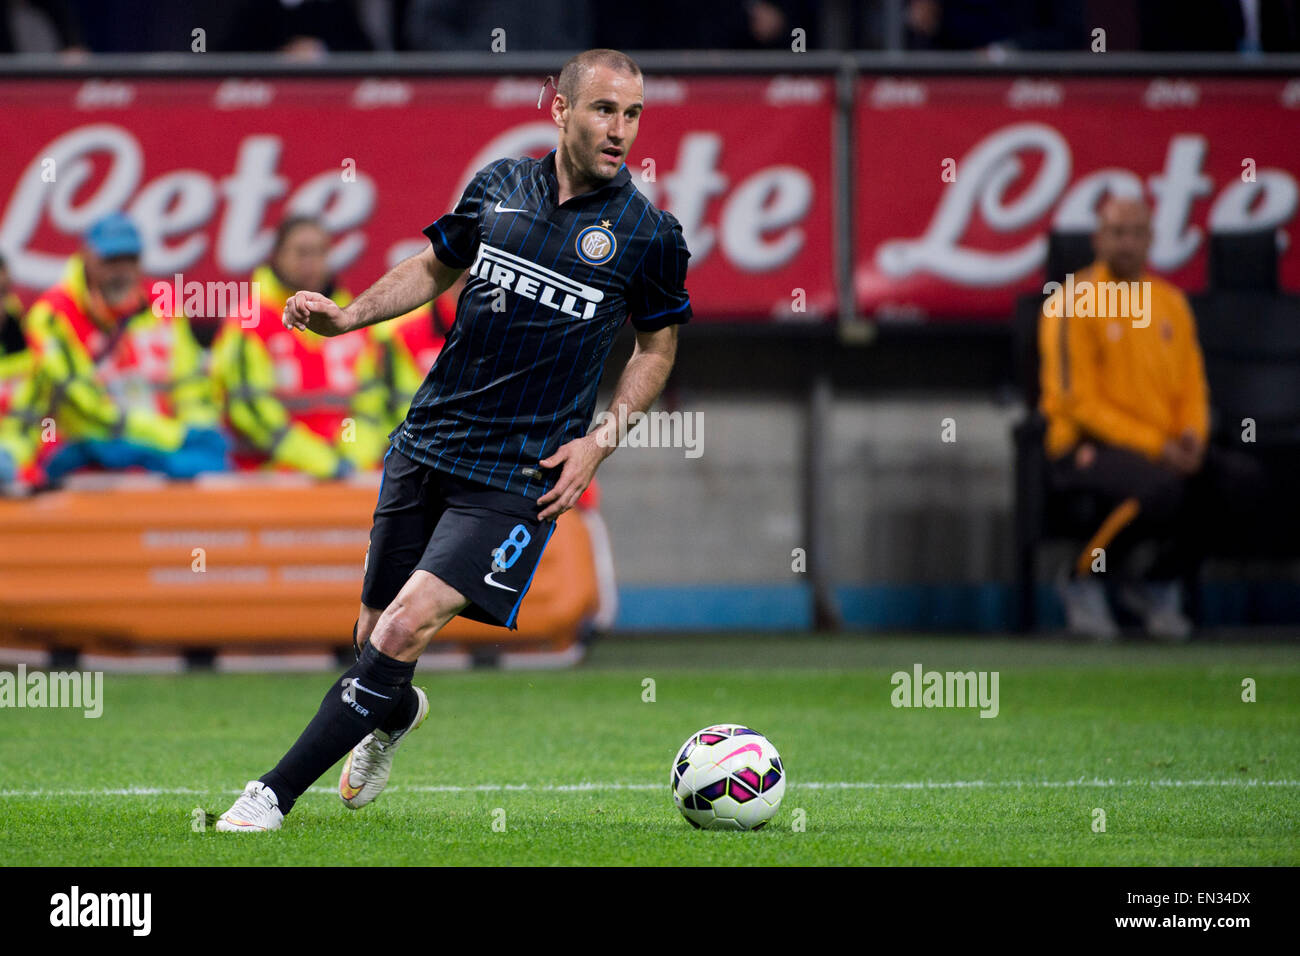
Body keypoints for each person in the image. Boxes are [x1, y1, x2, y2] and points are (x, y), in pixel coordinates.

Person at [217, 48, 691, 831]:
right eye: (605, 110)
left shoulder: (648, 234)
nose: (620, 130)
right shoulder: (498, 185)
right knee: (373, 639)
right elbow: (436, 267)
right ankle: (393, 716)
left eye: (633, 114)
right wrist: (347, 315)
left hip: (520, 470)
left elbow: (658, 348)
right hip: (428, 441)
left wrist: (600, 440)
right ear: (561, 109)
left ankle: (270, 794)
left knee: (404, 627)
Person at [1039, 196, 1212, 641]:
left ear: (1152, 239)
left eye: (1137, 232)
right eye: (1117, 232)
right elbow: (1077, 402)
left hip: (1165, 446)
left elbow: (1192, 386)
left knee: (1239, 483)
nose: (1127, 243)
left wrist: (1193, 436)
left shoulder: (1170, 302)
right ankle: (1083, 578)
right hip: (1084, 447)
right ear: (1098, 239)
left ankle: (1153, 583)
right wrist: (1159, 448)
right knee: (1161, 487)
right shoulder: (1071, 302)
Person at [3, 212, 225, 487]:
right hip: (85, 458)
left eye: (129, 259)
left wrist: (198, 427)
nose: (121, 271)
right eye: (110, 260)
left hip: (163, 459)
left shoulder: (164, 303)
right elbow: (84, 401)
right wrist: (172, 435)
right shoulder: (52, 316)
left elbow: (190, 382)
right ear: (86, 257)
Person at [210, 215, 390, 477]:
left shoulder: (352, 319)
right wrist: (322, 462)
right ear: (277, 256)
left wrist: (353, 456)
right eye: (301, 252)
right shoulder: (250, 323)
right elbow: (250, 409)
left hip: (348, 475)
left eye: (320, 252)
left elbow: (371, 402)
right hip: (270, 479)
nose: (312, 263)